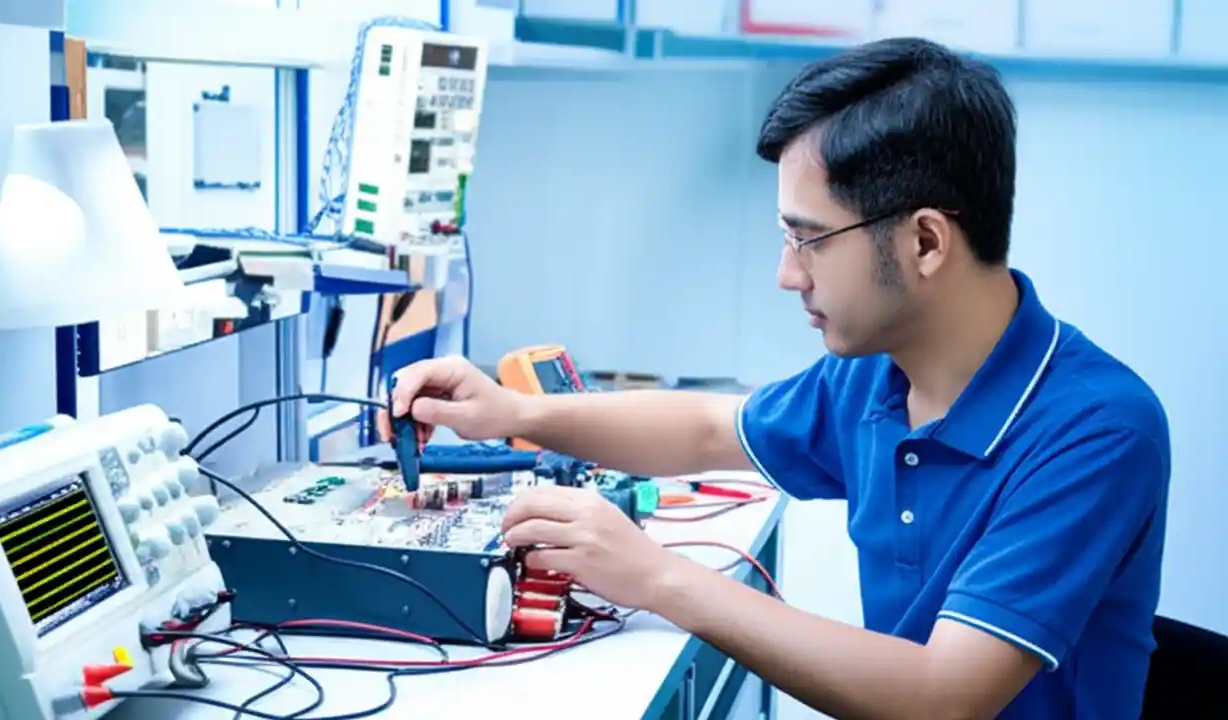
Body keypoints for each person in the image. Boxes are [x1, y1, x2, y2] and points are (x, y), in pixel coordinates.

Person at [381, 37, 1170, 720]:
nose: (787, 274)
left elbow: (943, 698)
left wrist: (656, 576)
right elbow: (705, 429)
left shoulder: (1095, 430)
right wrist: (514, 409)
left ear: (927, 242)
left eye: (810, 240)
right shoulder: (875, 377)